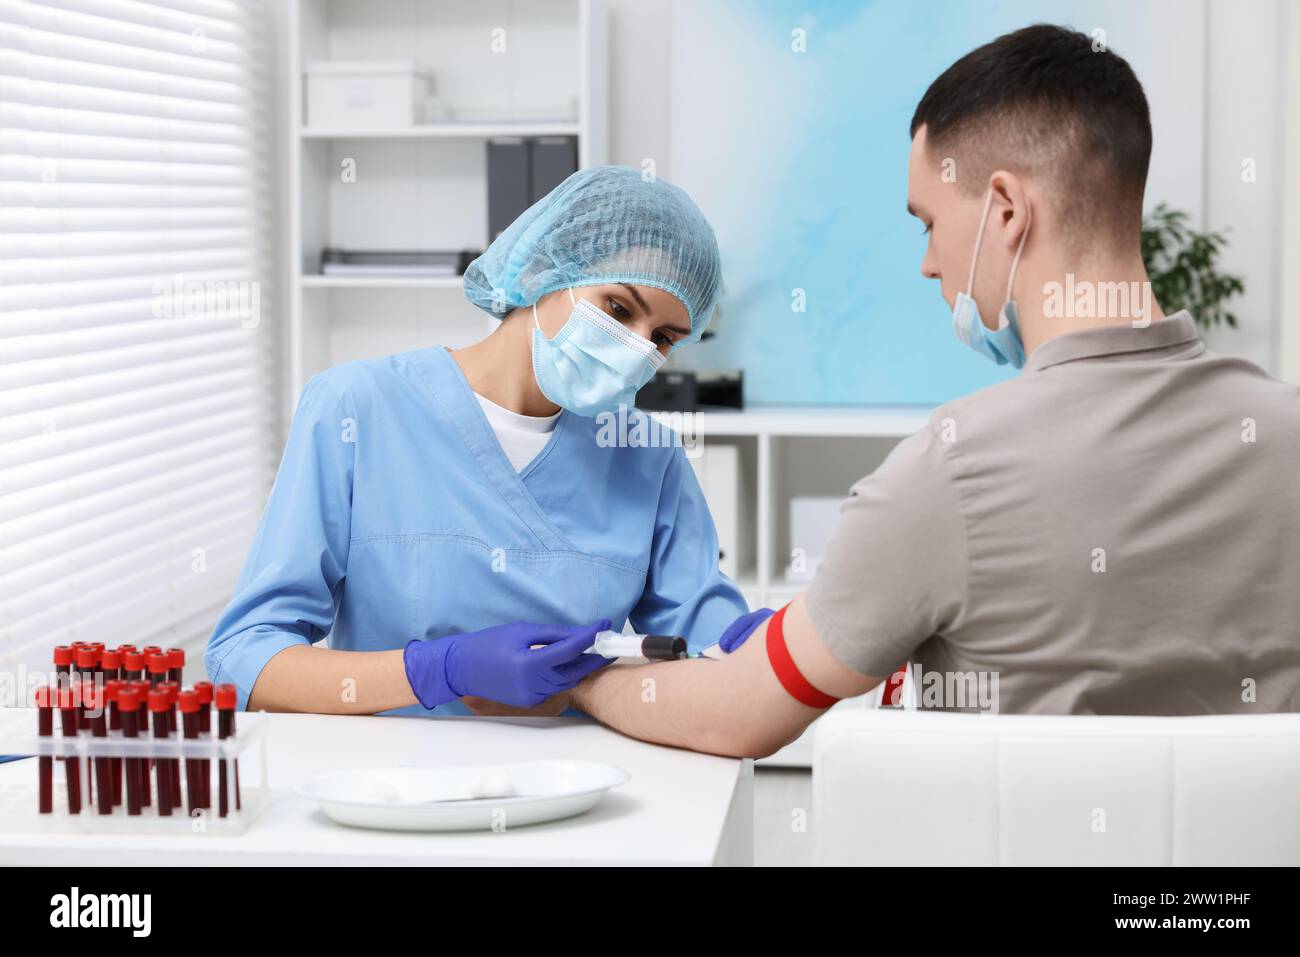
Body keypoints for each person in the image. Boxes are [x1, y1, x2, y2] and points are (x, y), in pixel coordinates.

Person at [569, 25, 1300, 757]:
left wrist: (582, 682)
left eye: (929, 223)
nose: (927, 263)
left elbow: (738, 713)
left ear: (1006, 211)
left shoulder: (954, 472)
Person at [205, 166, 750, 716]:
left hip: (577, 767)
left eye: (663, 338)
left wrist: (780, 643)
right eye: (618, 308)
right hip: (393, 768)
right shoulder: (356, 408)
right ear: (543, 269)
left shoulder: (645, 455)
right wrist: (439, 669)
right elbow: (244, 657)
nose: (637, 349)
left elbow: (719, 657)